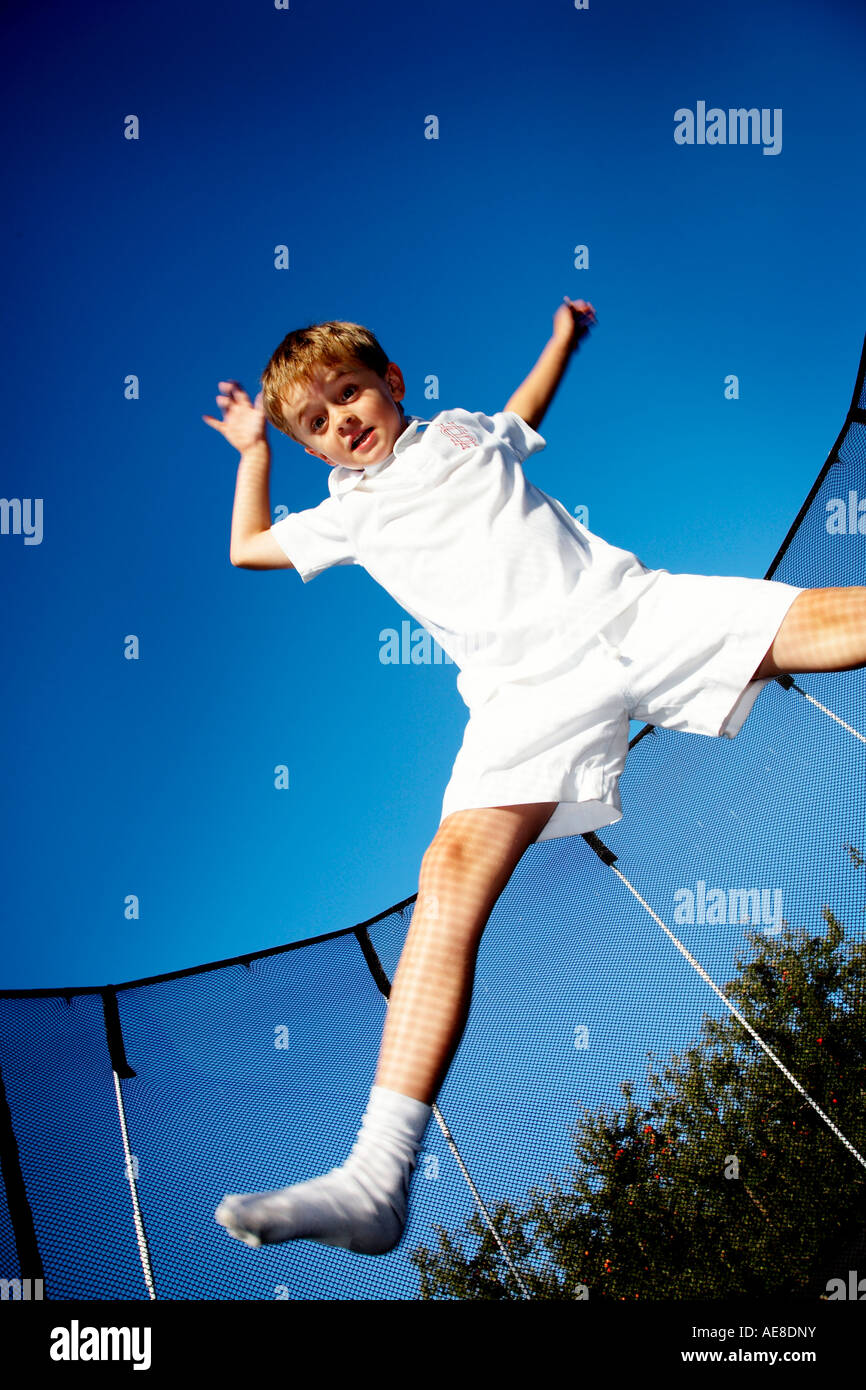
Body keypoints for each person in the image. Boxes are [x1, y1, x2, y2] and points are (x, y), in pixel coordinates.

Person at [202, 299, 866, 1256]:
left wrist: (558, 342)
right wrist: (250, 449)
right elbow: (246, 548)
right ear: (314, 450)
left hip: (627, 615)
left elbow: (527, 405)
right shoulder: (343, 513)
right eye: (317, 422)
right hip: (519, 700)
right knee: (451, 871)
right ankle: (378, 1172)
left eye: (348, 392)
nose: (341, 419)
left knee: (817, 624)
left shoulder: (468, 430)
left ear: (392, 384)